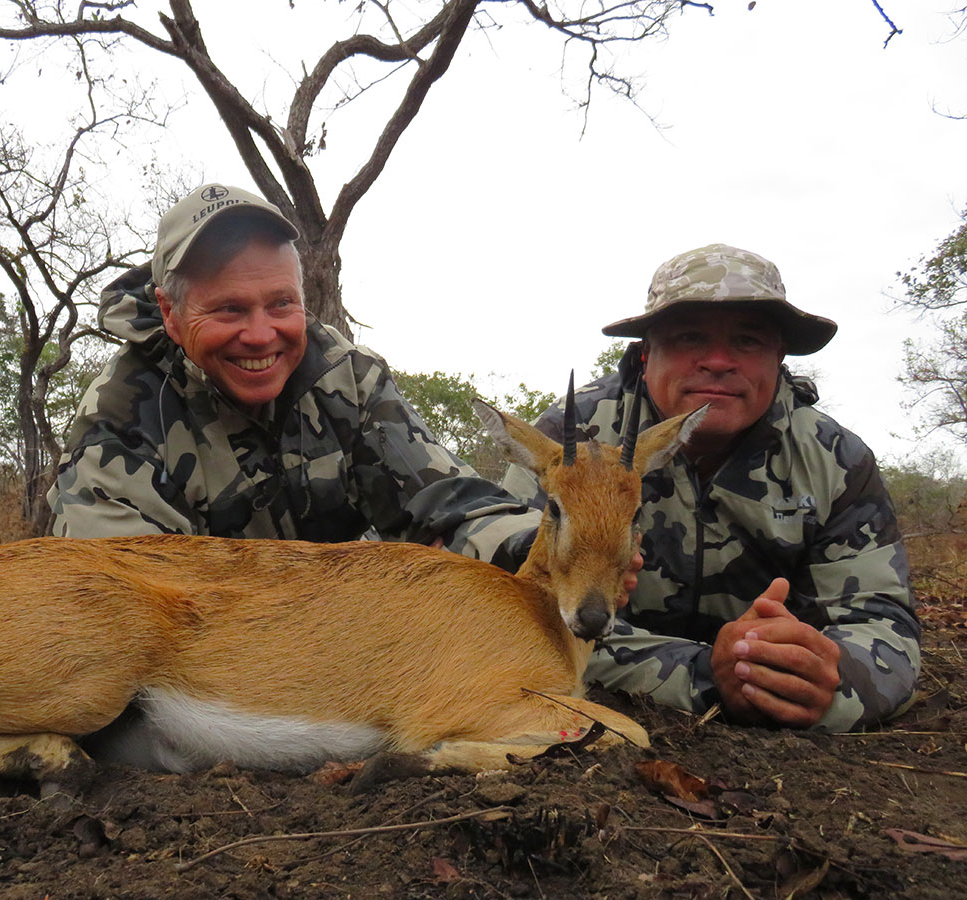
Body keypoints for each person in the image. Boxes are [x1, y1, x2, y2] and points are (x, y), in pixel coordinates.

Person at [504, 244, 920, 732]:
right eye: (689, 338)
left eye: (747, 341)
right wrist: (702, 676)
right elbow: (515, 606)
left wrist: (831, 679)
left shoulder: (836, 461)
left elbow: (884, 626)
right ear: (644, 354)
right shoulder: (569, 439)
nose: (719, 361)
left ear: (779, 357)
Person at [48, 182, 541, 570]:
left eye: (281, 304)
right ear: (170, 312)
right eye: (229, 310)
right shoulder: (118, 418)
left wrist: (541, 550)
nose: (262, 336)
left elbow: (451, 504)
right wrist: (376, 584)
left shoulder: (347, 377)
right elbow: (145, 606)